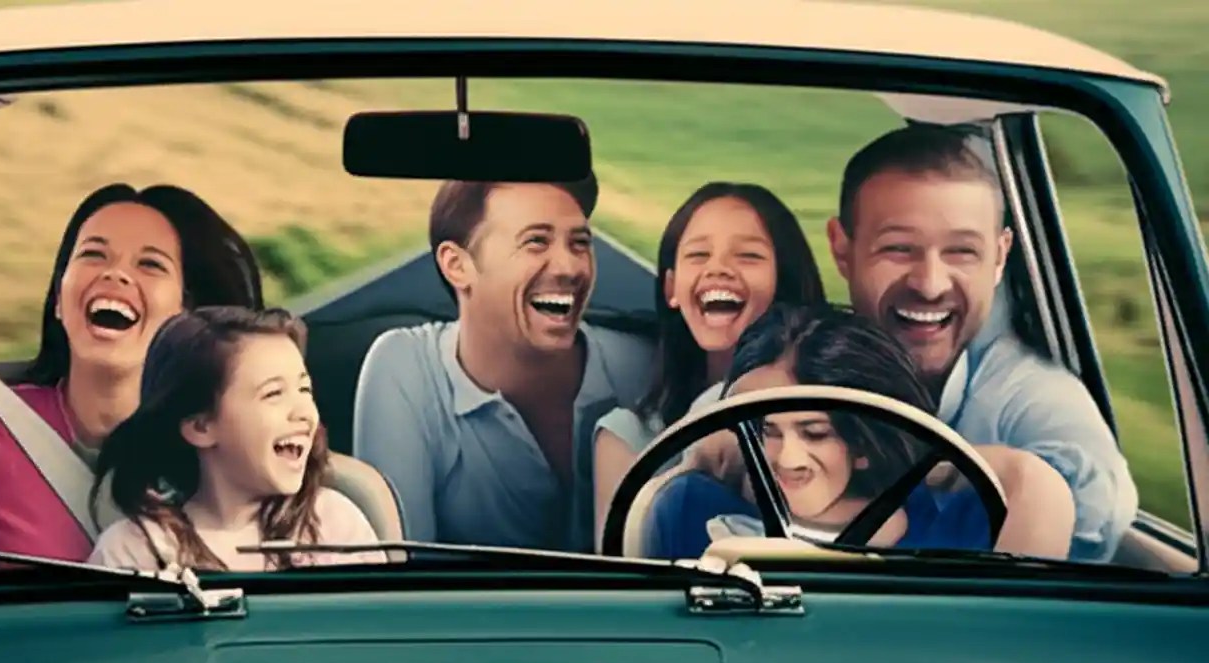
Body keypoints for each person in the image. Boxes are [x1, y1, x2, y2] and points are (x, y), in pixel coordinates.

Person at [824, 125, 1136, 562]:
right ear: (842, 250)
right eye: (898, 249)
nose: (930, 285)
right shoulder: (797, 360)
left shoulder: (1023, 392)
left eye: (961, 252)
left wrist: (979, 470)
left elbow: (1097, 508)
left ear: (999, 257)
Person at [0, 183, 263, 562]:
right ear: (58, 298)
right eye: (93, 254)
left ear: (189, 317)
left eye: (150, 264)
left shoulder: (227, 452)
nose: (115, 274)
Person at [351, 177, 652, 552]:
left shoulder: (642, 367)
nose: (570, 267)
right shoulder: (406, 367)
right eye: (536, 241)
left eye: (580, 243)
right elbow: (397, 570)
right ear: (457, 265)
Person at [644, 302, 1076, 560]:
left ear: (863, 442)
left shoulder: (956, 530)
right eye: (764, 429)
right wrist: (698, 456)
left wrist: (928, 463)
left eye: (815, 433)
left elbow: (1035, 484)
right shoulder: (691, 509)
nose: (787, 458)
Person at [592, 182, 825, 543]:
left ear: (785, 281)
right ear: (671, 288)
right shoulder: (627, 437)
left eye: (748, 256)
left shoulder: (838, 409)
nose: (719, 269)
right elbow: (622, 575)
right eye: (698, 255)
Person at [88, 307, 384, 571]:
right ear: (200, 426)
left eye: (305, 390)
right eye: (273, 394)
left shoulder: (334, 528)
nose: (304, 413)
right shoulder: (135, 554)